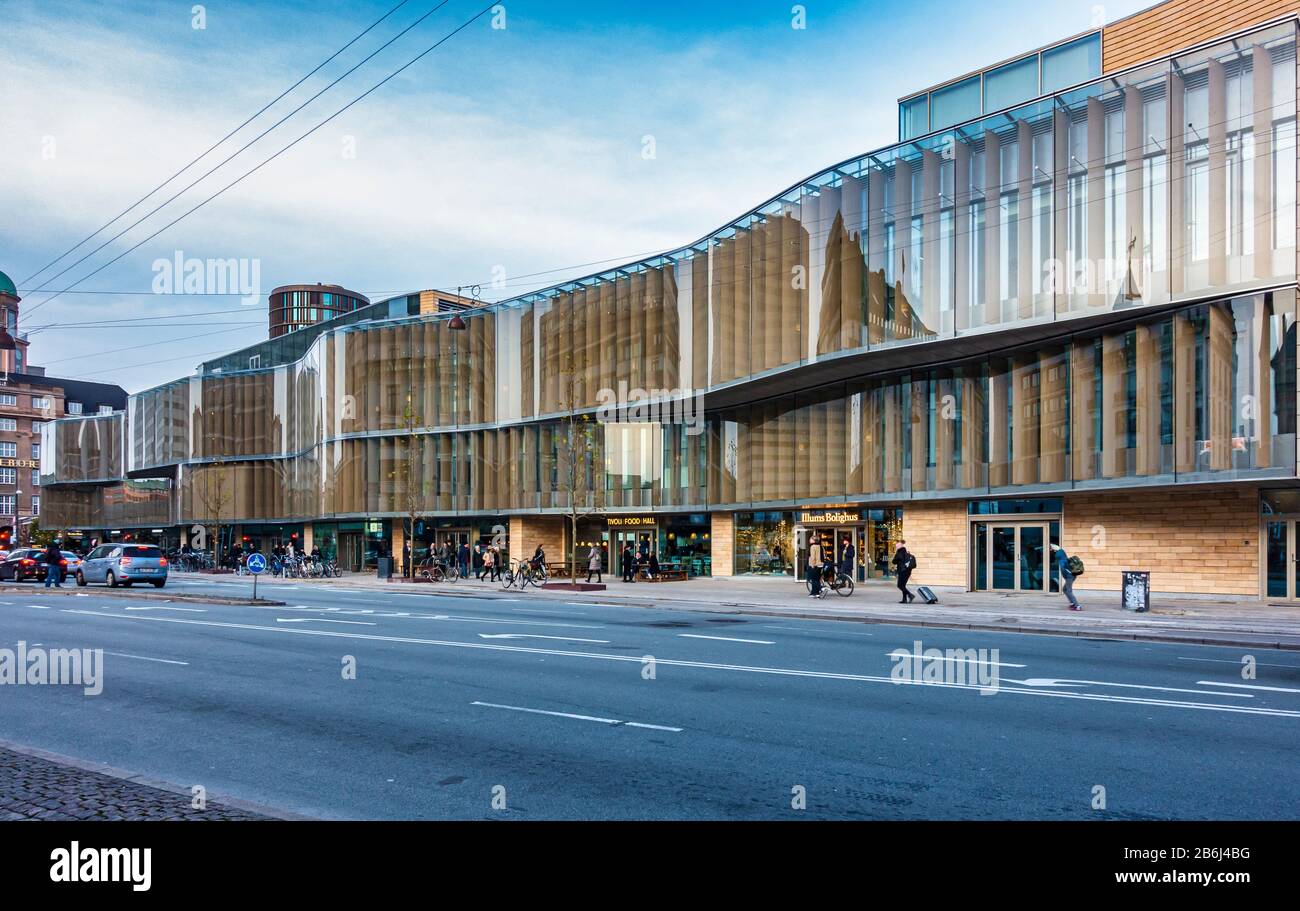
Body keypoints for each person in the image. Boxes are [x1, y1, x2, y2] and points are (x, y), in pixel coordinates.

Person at [1052, 543, 1083, 611]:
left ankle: (1077, 606)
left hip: (1070, 576)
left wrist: (1066, 577)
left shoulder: (1062, 561)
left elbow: (1064, 570)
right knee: (1064, 589)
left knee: (1069, 591)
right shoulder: (1063, 556)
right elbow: (1060, 550)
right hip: (1071, 576)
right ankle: (1072, 604)